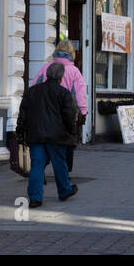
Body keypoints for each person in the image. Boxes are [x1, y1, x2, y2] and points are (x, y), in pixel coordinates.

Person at [16, 61, 79, 208]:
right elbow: (69, 116)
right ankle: (64, 191)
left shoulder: (32, 91)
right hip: (58, 136)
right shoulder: (64, 93)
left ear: (47, 75)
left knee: (37, 165)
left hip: (36, 135)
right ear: (61, 77)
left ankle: (35, 197)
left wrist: (20, 132)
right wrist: (72, 132)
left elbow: (23, 113)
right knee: (60, 164)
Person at [33, 39, 86, 173]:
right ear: (72, 53)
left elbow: (35, 87)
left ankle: (41, 169)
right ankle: (65, 174)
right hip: (66, 113)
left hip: (46, 112)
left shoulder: (46, 67)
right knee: (68, 143)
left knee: (46, 142)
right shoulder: (74, 72)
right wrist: (82, 112)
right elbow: (79, 94)